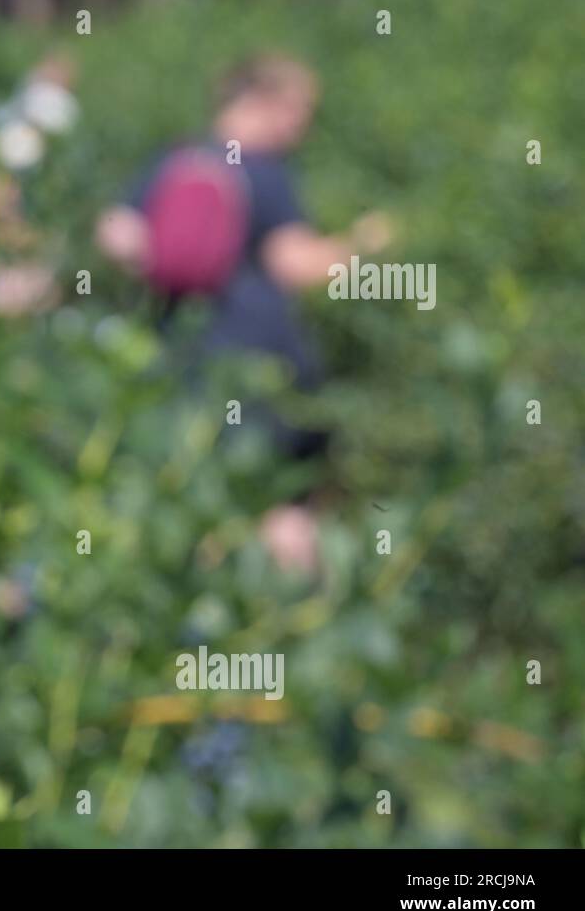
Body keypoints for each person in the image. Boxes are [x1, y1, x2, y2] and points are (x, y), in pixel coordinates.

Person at [96, 53, 391, 573]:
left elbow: (116, 231)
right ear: (265, 101)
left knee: (201, 500)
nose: (305, 125)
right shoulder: (263, 171)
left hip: (182, 365)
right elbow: (296, 264)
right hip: (258, 374)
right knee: (275, 507)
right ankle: (281, 627)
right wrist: (364, 244)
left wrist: (166, 259)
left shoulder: (180, 159)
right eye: (301, 108)